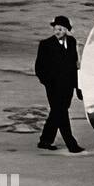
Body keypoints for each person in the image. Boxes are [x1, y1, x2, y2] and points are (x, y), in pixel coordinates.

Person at [34, 16, 85, 154]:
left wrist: (78, 87)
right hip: (53, 87)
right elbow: (39, 68)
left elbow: (75, 65)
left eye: (60, 29)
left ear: (66, 29)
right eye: (55, 29)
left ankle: (45, 140)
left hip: (68, 86)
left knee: (57, 112)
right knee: (61, 112)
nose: (57, 31)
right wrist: (47, 82)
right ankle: (71, 144)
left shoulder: (72, 42)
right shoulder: (45, 44)